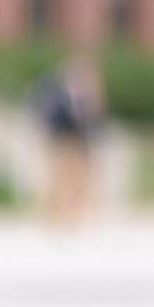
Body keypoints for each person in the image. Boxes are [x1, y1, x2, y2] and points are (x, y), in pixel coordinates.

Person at [29, 49, 107, 225]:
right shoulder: (58, 93)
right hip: (62, 140)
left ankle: (76, 213)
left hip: (81, 142)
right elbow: (49, 115)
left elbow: (96, 122)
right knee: (59, 178)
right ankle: (54, 214)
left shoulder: (90, 96)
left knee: (83, 179)